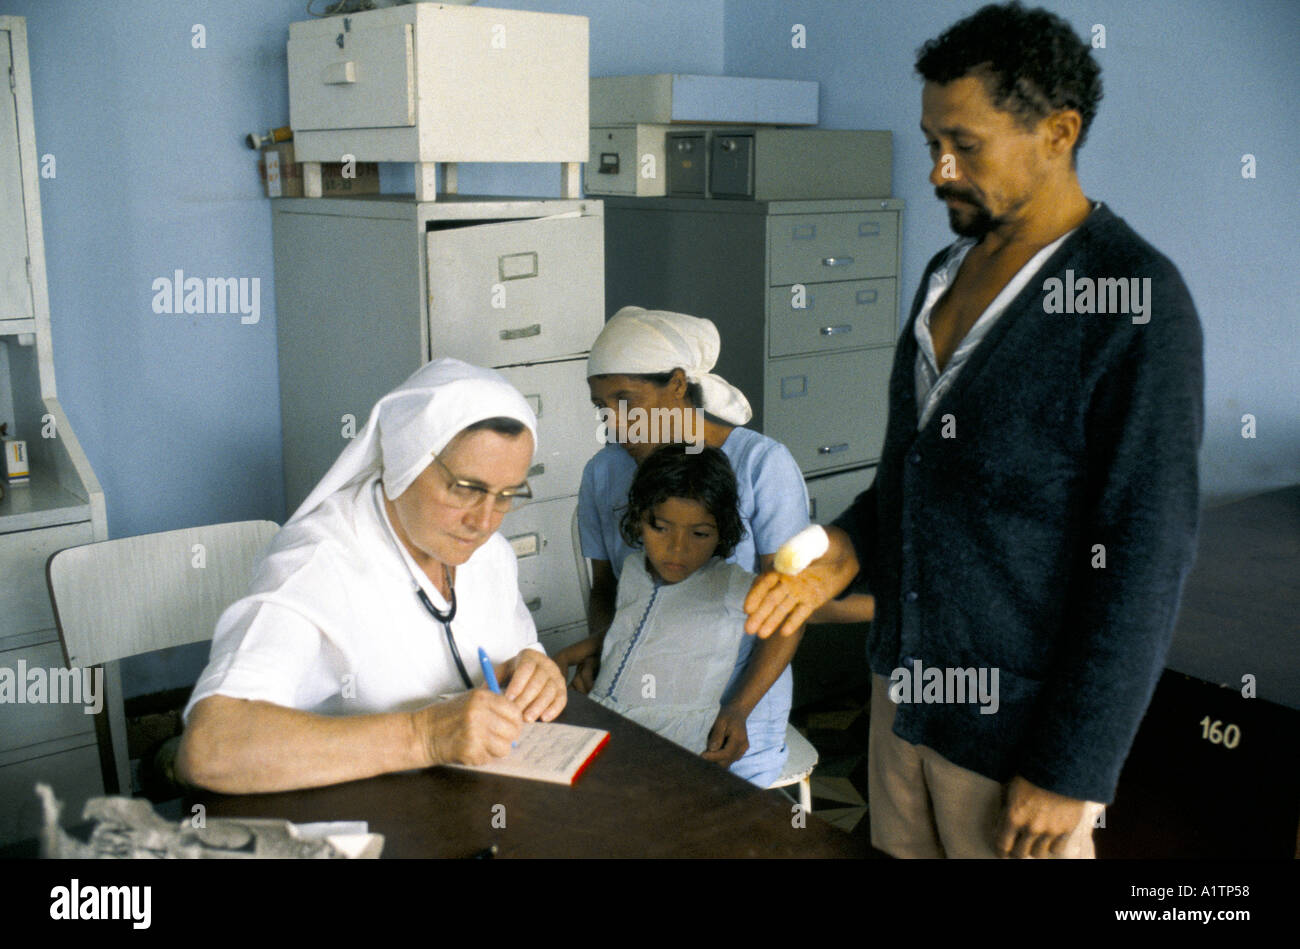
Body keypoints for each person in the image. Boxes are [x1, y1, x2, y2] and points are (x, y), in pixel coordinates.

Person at [746, 1, 1203, 858]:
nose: (939, 170)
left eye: (966, 144)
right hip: (902, 714)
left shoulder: (1133, 301)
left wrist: (1073, 767)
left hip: (1016, 743)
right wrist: (842, 551)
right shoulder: (943, 274)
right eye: (930, 143)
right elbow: (912, 483)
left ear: (1059, 133)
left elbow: (1144, 558)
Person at [177, 358, 567, 794]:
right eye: (466, 489)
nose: (486, 521)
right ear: (405, 461)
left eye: (507, 495)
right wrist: (423, 737)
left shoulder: (488, 553)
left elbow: (508, 654)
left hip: (462, 806)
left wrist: (530, 669)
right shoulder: (319, 565)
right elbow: (211, 749)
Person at [558, 306, 875, 787]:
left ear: (679, 385)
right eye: (602, 407)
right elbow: (607, 588)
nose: (616, 424)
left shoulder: (760, 466)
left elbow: (789, 608)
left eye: (627, 401)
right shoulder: (604, 472)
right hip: (635, 698)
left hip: (734, 715)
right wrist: (610, 653)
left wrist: (739, 708)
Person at [589, 444, 771, 779]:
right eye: (660, 528)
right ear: (639, 517)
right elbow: (630, 628)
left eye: (699, 534)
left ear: (722, 532)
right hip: (601, 728)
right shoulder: (633, 568)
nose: (677, 548)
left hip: (675, 746)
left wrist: (740, 709)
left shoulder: (731, 586)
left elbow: (798, 619)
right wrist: (582, 650)